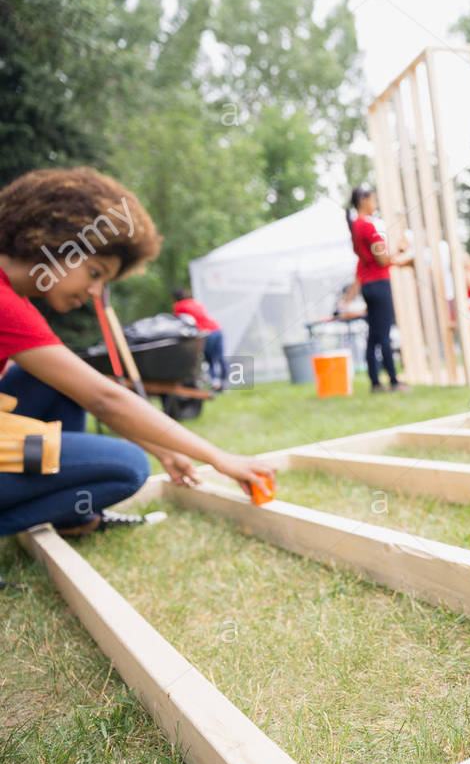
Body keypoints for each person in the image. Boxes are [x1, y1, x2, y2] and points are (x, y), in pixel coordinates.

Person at [0, 167, 275, 537]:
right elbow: (104, 399)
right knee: (126, 466)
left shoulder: (15, 301)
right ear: (58, 240)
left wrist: (162, 447)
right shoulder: (5, 304)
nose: (96, 293)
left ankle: (73, 519)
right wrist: (219, 458)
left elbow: (84, 388)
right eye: (95, 272)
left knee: (56, 381)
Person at [345, 184, 412, 393]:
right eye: (373, 200)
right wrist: (398, 253)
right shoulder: (367, 226)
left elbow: (371, 259)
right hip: (379, 284)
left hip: (367, 285)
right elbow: (382, 260)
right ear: (363, 201)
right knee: (383, 335)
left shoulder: (355, 227)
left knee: (374, 336)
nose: (375, 204)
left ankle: (375, 383)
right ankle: (393, 381)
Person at [172, 286, 227, 391]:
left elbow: (182, 323)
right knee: (219, 358)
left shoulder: (178, 306)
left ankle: (216, 382)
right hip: (217, 329)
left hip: (206, 333)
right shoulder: (194, 302)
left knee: (209, 359)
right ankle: (224, 382)